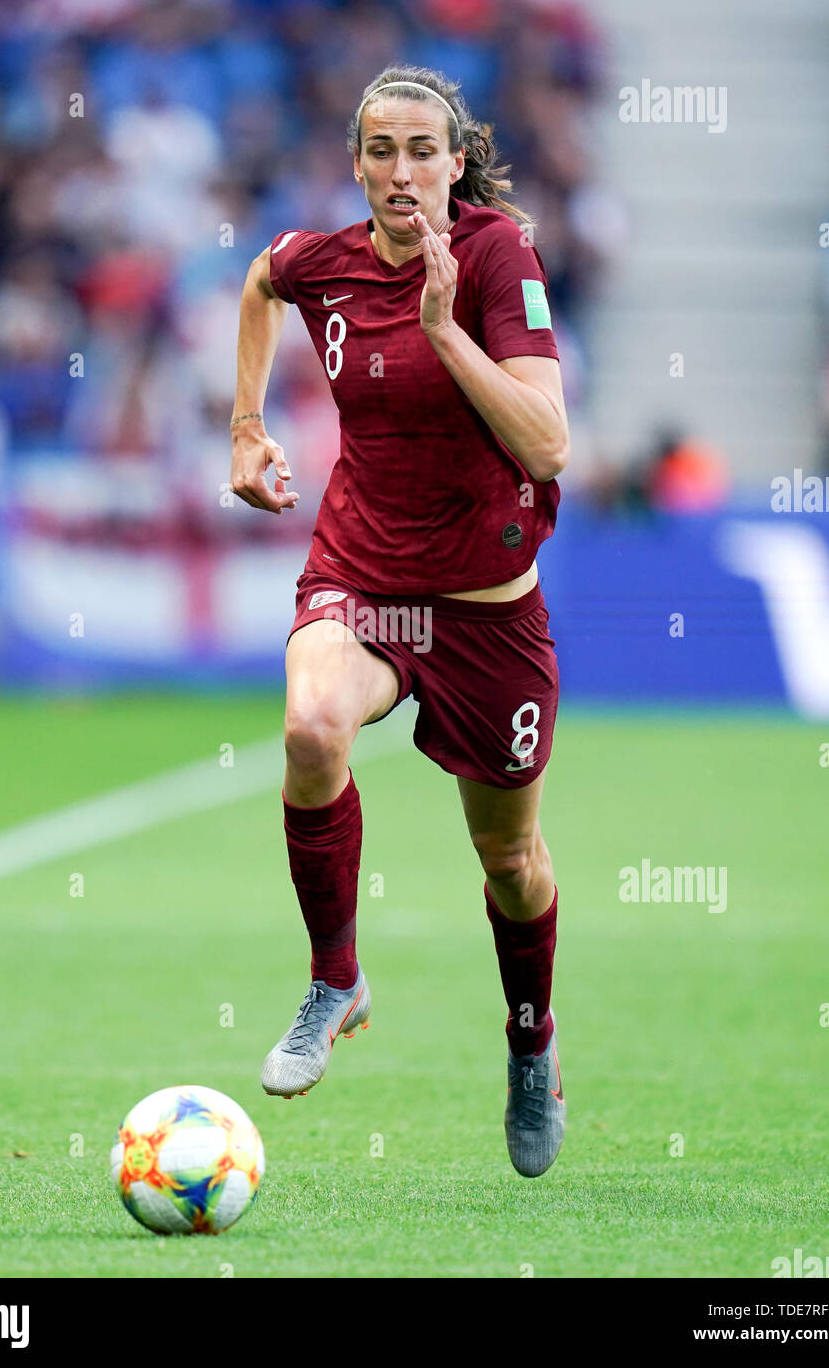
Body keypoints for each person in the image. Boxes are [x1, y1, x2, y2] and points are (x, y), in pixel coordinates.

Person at [229, 66, 570, 1177]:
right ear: (357, 161)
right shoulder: (321, 263)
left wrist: (444, 329)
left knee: (509, 856)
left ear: (457, 159)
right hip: (364, 581)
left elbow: (549, 447)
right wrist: (245, 427)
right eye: (379, 150)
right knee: (312, 728)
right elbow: (260, 280)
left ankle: (530, 1044)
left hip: (485, 614)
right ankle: (336, 978)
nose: (400, 172)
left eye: (422, 150)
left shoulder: (496, 258)